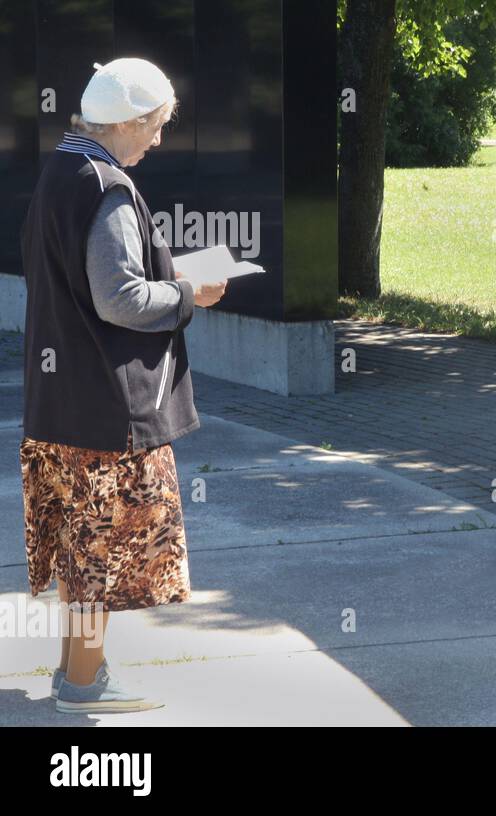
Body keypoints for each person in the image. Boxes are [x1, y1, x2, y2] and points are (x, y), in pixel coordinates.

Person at [19, 58, 227, 714]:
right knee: (99, 558)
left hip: (60, 403)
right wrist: (190, 294)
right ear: (131, 120)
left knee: (83, 554)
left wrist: (169, 280)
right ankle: (82, 687)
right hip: (106, 414)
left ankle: (77, 674)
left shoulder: (61, 170)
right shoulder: (104, 185)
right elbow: (118, 299)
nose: (159, 140)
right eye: (157, 126)